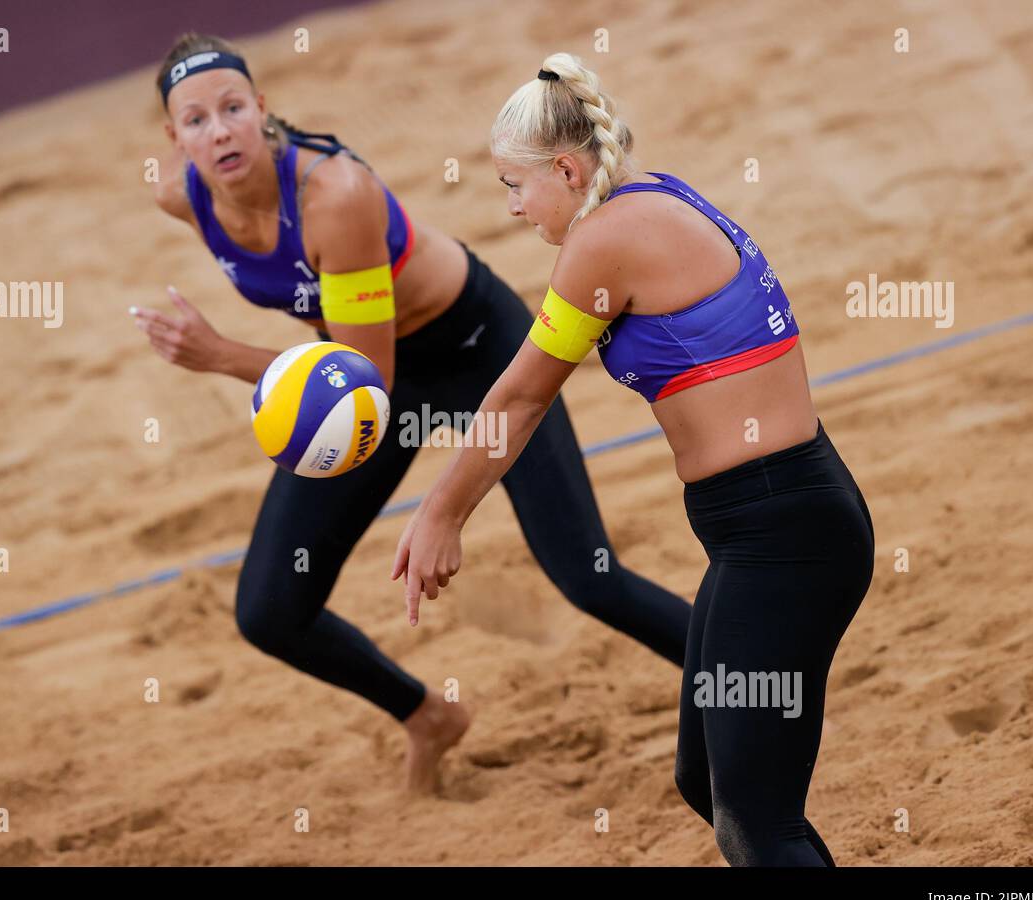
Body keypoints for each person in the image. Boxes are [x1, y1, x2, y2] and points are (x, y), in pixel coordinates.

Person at [131, 34, 693, 792]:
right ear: (174, 139)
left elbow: (364, 379)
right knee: (269, 611)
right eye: (195, 120)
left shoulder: (337, 195)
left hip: (470, 354)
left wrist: (219, 354)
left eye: (233, 108)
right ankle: (429, 714)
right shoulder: (181, 196)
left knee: (586, 576)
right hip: (366, 382)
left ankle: (740, 679)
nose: (219, 130)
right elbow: (358, 377)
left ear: (262, 111)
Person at [395, 53, 874, 862]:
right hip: (771, 527)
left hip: (785, 535)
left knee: (757, 821)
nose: (512, 209)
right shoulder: (655, 195)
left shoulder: (605, 241)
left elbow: (520, 397)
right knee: (706, 779)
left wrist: (441, 511)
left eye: (515, 185)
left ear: (568, 168)